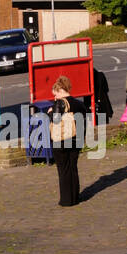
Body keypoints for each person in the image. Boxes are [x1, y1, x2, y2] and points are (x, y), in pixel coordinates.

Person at [48, 75, 84, 207]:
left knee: (63, 169)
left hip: (62, 140)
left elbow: (56, 119)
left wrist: (50, 112)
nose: (54, 98)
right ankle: (75, 197)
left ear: (60, 90)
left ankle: (66, 200)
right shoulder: (79, 104)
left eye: (55, 94)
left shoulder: (60, 103)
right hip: (76, 139)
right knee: (73, 168)